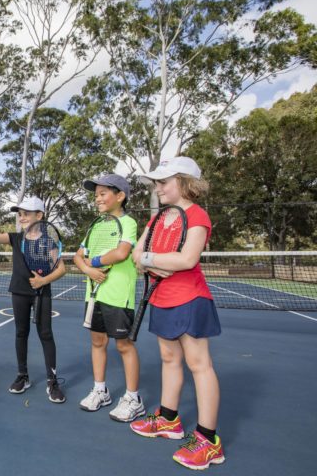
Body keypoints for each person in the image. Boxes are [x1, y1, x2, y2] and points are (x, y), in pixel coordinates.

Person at [129, 157, 224, 470]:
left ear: (183, 182)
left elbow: (186, 260)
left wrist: (152, 259)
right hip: (161, 298)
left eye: (163, 181)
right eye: (156, 182)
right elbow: (136, 258)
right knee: (169, 360)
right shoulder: (156, 220)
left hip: (190, 298)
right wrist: (154, 261)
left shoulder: (197, 215)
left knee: (199, 365)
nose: (158, 188)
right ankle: (169, 420)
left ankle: (209, 440)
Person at [0, 197, 66, 403]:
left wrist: (43, 280)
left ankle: (52, 381)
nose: (22, 217)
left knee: (45, 334)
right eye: (20, 214)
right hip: (19, 292)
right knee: (21, 333)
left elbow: (62, 268)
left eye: (27, 213)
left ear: (40, 216)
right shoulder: (16, 239)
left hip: (41, 293)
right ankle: (23, 376)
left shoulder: (49, 242)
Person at [73, 174, 144, 422]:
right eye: (95, 195)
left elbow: (122, 253)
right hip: (94, 295)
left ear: (120, 196)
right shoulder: (95, 225)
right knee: (97, 342)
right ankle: (100, 390)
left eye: (103, 194)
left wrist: (92, 262)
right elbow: (77, 256)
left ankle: (133, 397)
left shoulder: (128, 223)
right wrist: (89, 270)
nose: (97, 199)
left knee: (123, 345)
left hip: (118, 296)